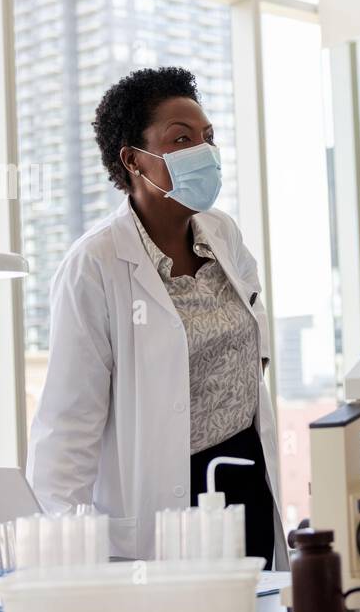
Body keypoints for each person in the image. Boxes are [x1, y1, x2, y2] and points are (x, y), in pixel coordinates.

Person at [27, 66, 285, 568]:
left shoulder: (223, 234)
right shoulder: (95, 265)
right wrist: (63, 553)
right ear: (132, 160)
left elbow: (254, 354)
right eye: (181, 139)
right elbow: (68, 424)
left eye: (208, 138)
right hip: (168, 502)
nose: (204, 153)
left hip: (246, 478)